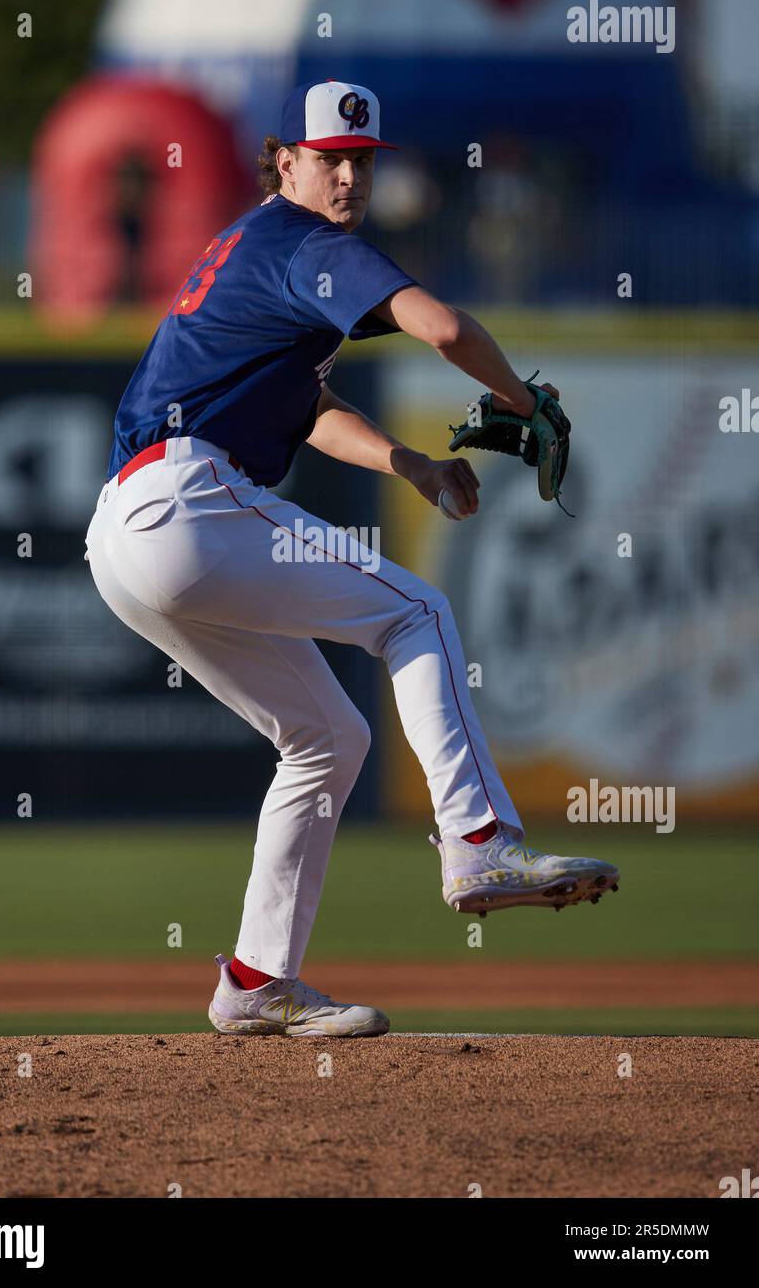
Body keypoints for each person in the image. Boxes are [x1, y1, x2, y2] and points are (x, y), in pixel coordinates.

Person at [85, 80, 618, 1040]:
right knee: (416, 612)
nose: (346, 174)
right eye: (327, 157)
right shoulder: (307, 244)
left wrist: (409, 462)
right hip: (183, 504)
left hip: (130, 534)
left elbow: (310, 409)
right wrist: (528, 400)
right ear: (283, 161)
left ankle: (255, 981)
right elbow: (447, 329)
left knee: (327, 739)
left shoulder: (264, 251)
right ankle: (481, 842)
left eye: (361, 161)